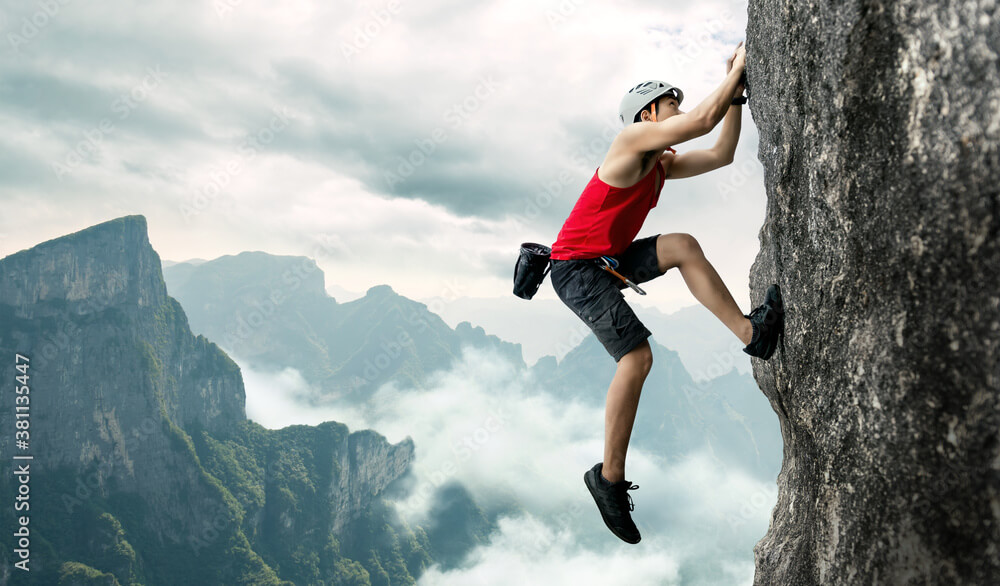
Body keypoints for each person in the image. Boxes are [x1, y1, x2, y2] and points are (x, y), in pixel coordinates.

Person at [547, 41, 784, 544]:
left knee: (681, 245)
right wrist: (735, 71)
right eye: (671, 104)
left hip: (606, 260)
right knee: (636, 358)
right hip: (576, 269)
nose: (678, 110)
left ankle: (752, 333)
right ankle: (607, 478)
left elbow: (720, 152)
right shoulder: (631, 141)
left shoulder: (659, 165)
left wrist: (736, 98)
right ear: (649, 113)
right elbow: (700, 122)